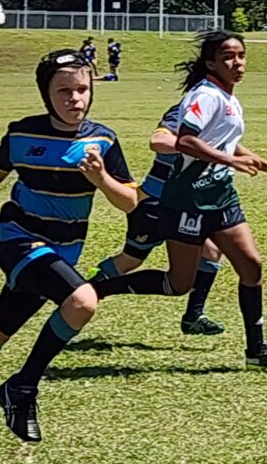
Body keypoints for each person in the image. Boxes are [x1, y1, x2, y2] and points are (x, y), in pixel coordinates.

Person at [91, 30, 267, 370]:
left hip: (221, 197)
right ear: (211, 63)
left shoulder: (229, 98)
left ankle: (256, 351)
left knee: (252, 266)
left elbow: (227, 142)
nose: (238, 63)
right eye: (229, 57)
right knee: (178, 284)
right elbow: (185, 142)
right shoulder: (204, 95)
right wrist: (231, 162)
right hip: (187, 200)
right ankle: (103, 288)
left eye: (241, 55)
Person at [0, 49, 140, 442]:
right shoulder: (21, 133)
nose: (75, 99)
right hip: (19, 240)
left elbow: (129, 201)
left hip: (62, 252)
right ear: (46, 94)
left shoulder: (103, 140)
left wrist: (102, 178)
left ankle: (18, 388)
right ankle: (22, 387)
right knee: (83, 300)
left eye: (82, 90)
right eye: (64, 91)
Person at [88, 101, 228, 336]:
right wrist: (195, 147)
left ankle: (194, 316)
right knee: (129, 261)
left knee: (212, 252)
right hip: (154, 204)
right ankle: (84, 288)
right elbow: (158, 142)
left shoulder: (217, 115)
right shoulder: (183, 111)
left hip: (184, 205)